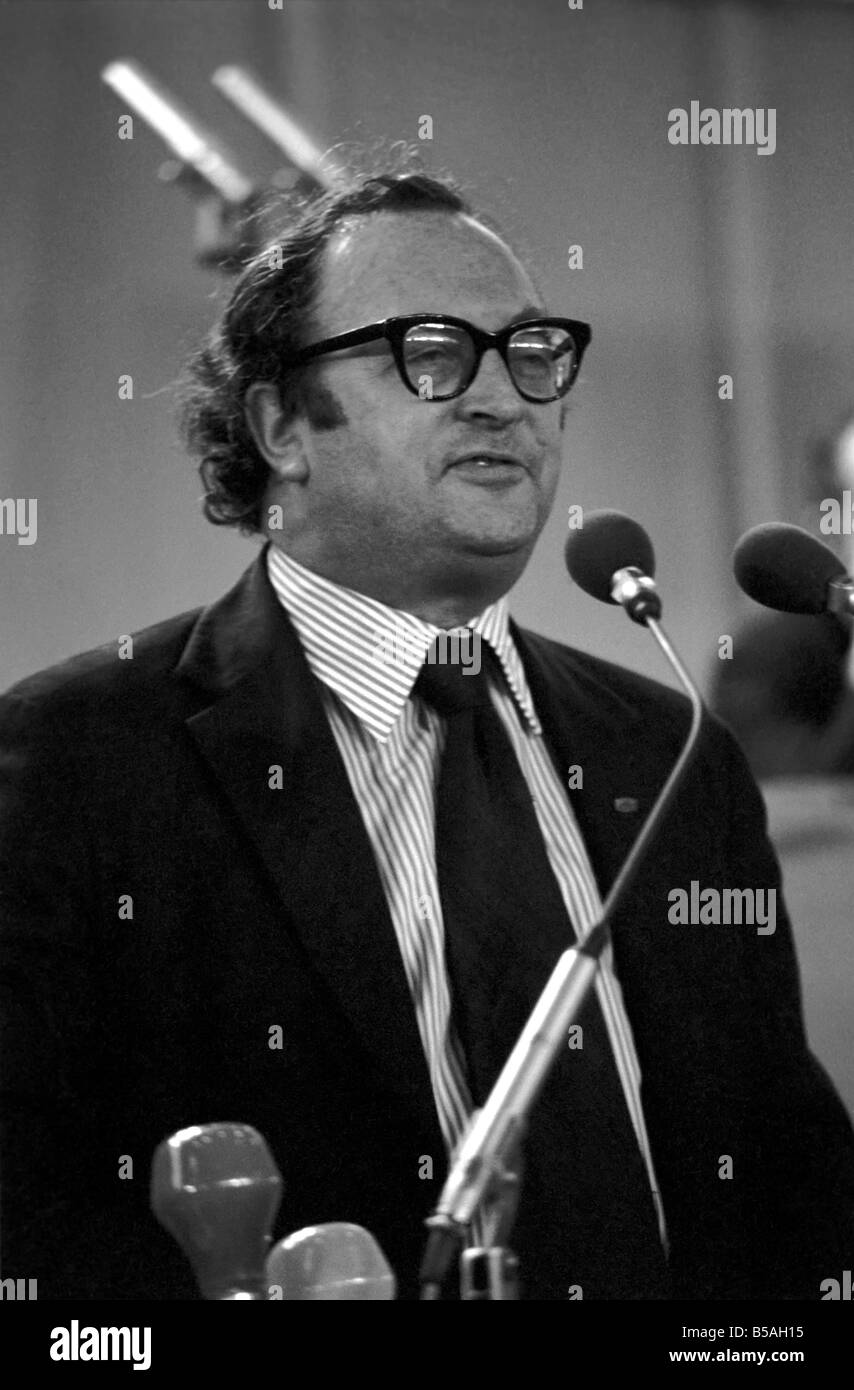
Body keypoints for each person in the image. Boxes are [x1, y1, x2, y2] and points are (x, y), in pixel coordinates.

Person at [1, 168, 852, 1301]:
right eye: (431, 351)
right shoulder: (73, 762)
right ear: (279, 426)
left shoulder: (669, 754)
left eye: (532, 353)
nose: (502, 398)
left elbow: (782, 1181)